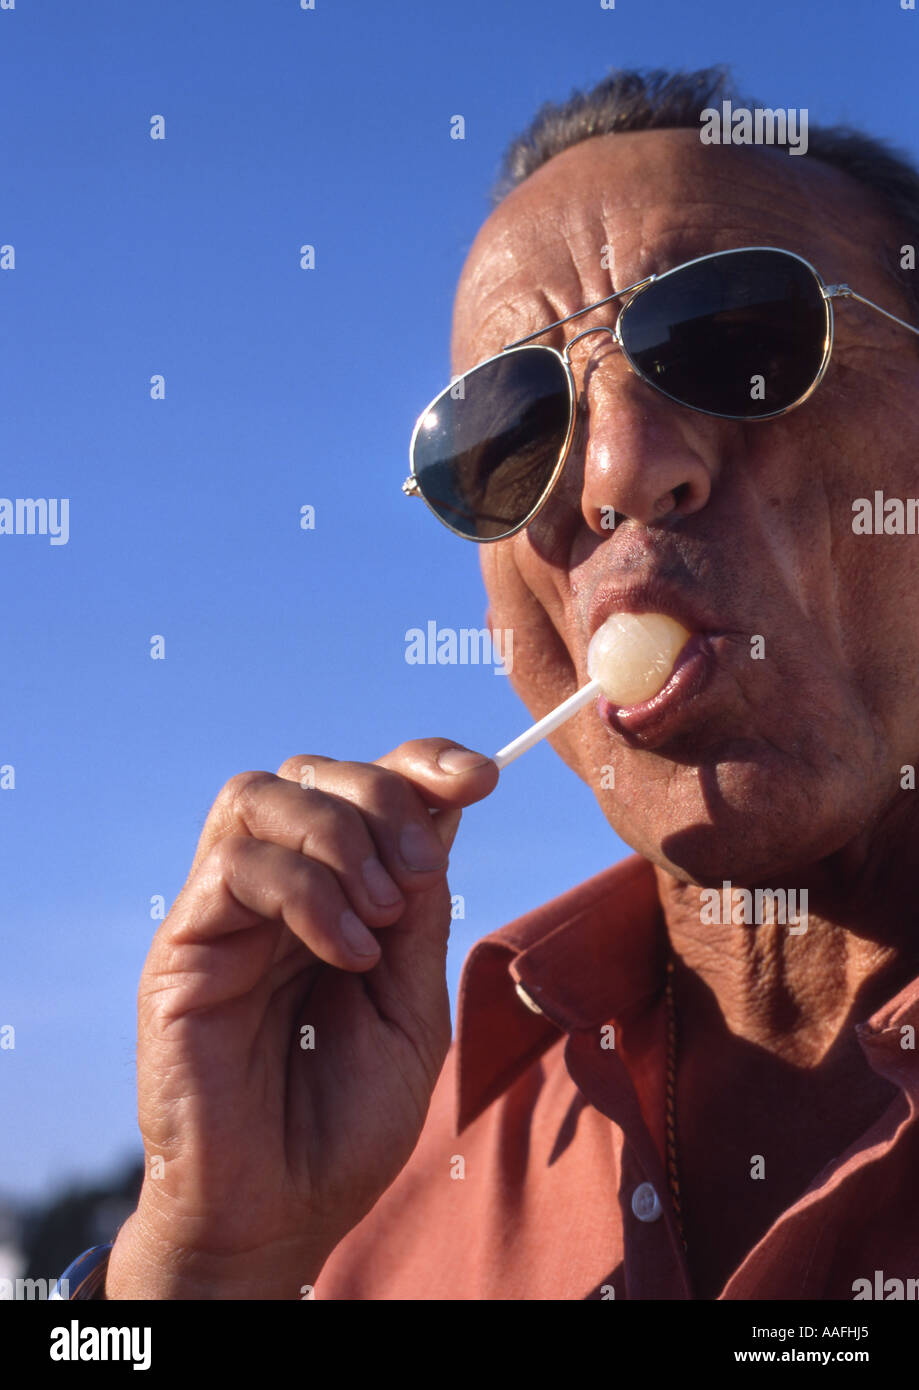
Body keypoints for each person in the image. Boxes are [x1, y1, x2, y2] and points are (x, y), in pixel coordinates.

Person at [58, 67, 919, 1301]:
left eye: (732, 337)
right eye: (507, 439)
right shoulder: (369, 1192)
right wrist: (195, 1265)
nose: (612, 470)